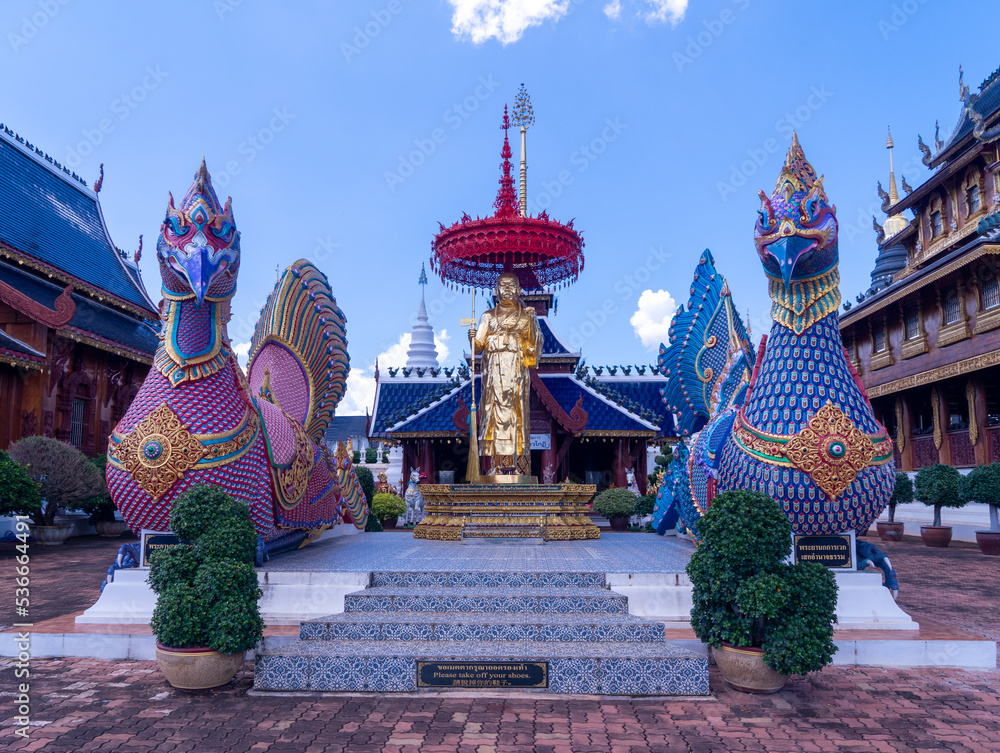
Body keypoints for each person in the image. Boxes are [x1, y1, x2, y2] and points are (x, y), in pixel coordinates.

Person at [469, 272, 541, 477]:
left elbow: (533, 349)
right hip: (494, 374)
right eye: (503, 286)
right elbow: (477, 348)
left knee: (516, 416)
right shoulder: (487, 316)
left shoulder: (525, 315)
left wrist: (533, 323)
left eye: (511, 286)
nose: (507, 290)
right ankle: (496, 465)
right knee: (493, 415)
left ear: (519, 290)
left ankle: (518, 465)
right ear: (496, 290)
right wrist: (472, 337)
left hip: (516, 374)